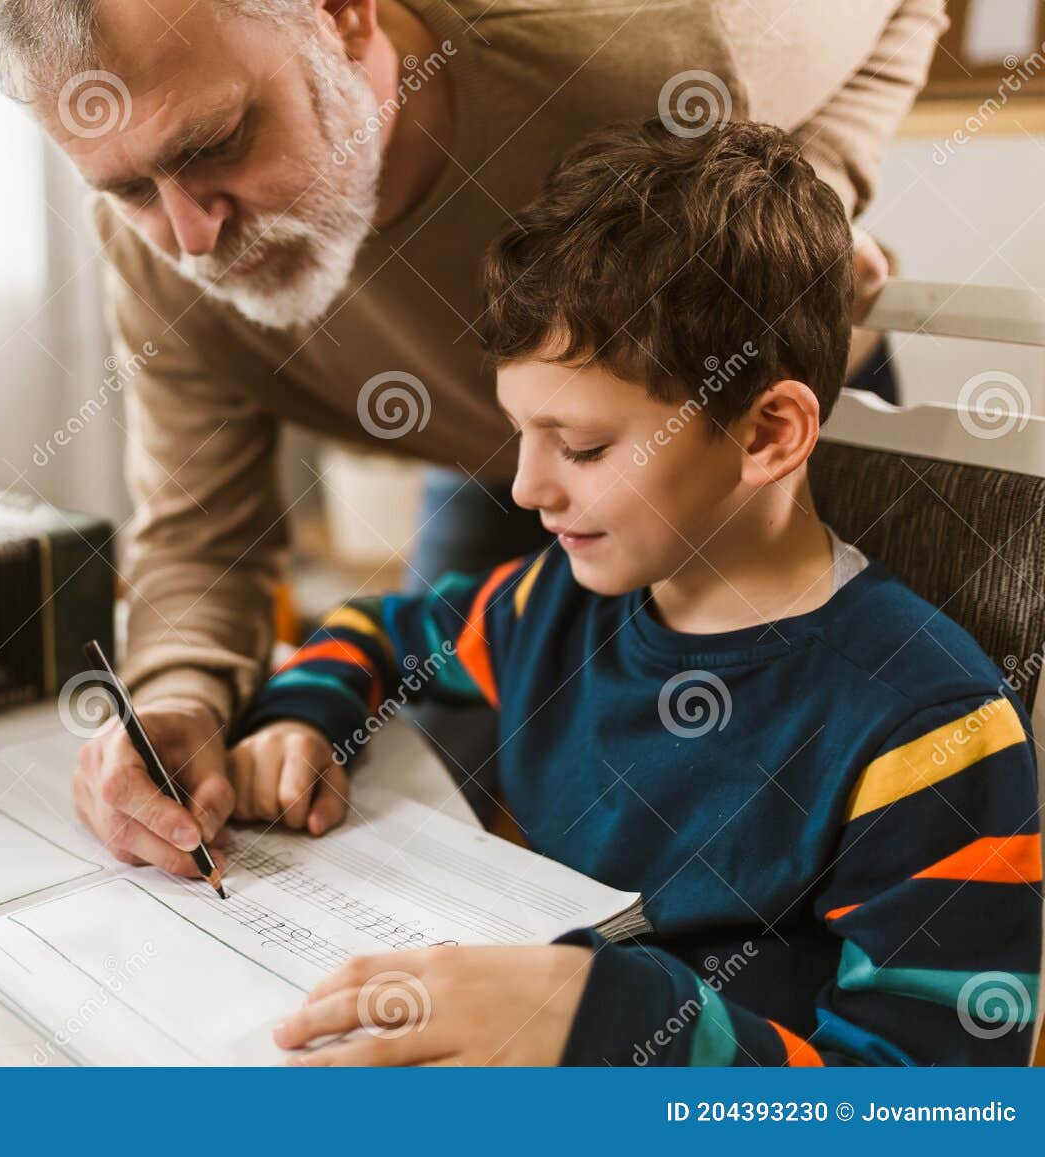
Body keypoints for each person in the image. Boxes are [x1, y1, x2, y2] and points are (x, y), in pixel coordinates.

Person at [0, 0, 946, 875]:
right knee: (456, 800)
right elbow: (201, 533)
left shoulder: (647, 47)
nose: (190, 236)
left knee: (835, 808)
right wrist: (178, 701)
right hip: (495, 459)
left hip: (751, 451)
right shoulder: (162, 260)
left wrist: (810, 204)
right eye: (128, 189)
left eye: (218, 142)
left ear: (340, 17)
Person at [223, 119, 1041, 1066]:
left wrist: (606, 1018)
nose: (525, 487)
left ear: (768, 433)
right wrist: (304, 716)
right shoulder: (549, 606)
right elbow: (379, 631)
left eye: (582, 447)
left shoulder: (932, 734)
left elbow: (940, 1105)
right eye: (522, 433)